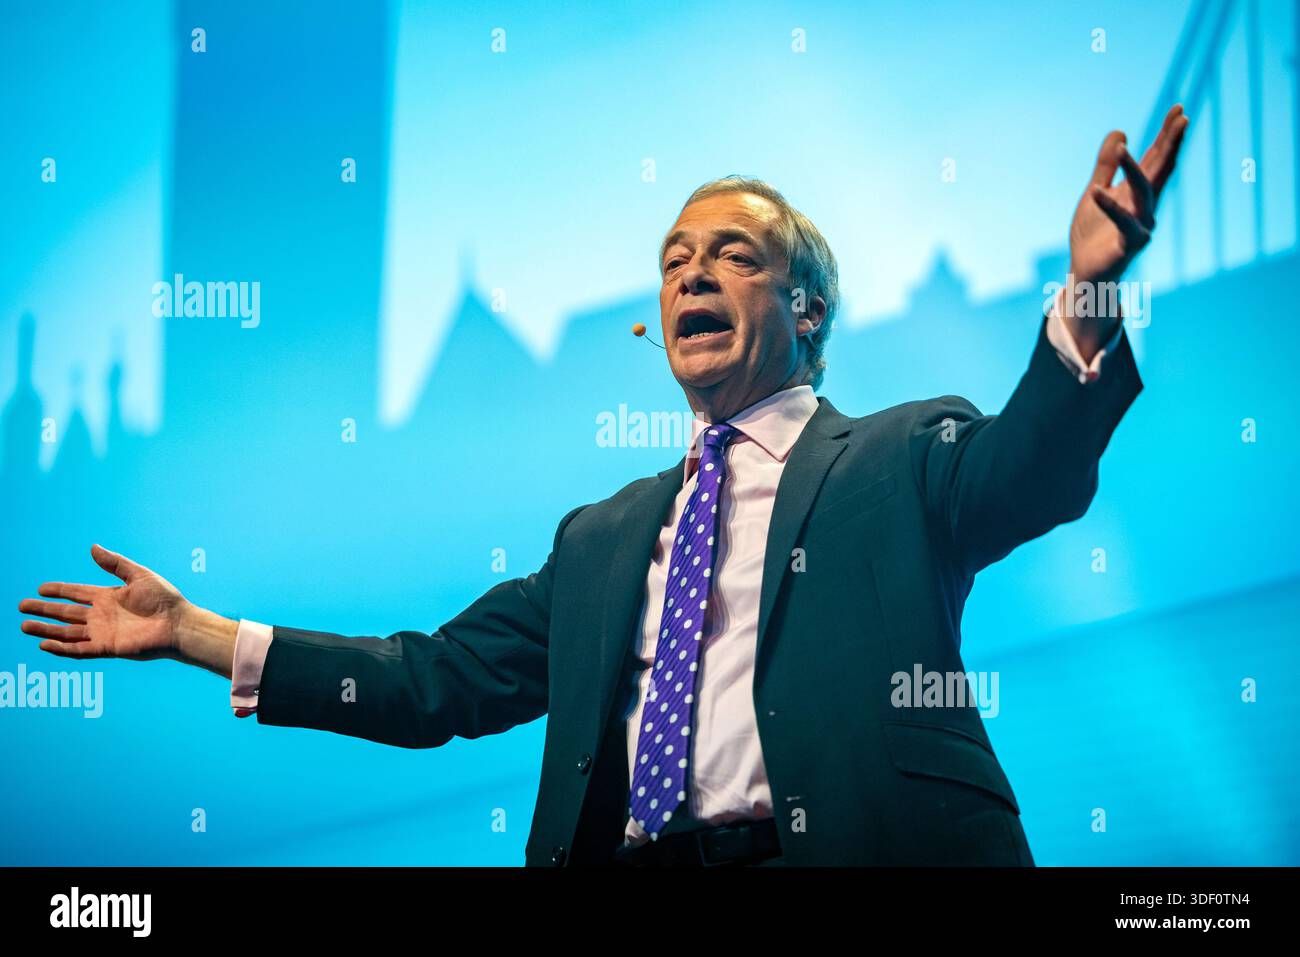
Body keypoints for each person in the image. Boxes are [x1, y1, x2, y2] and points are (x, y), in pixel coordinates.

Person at [19, 106, 1190, 867]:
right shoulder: (599, 541)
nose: (691, 274)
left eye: (733, 256)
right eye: (674, 261)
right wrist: (198, 633)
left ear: (807, 311)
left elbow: (1031, 472)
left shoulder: (897, 455)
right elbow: (430, 681)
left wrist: (1090, 288)